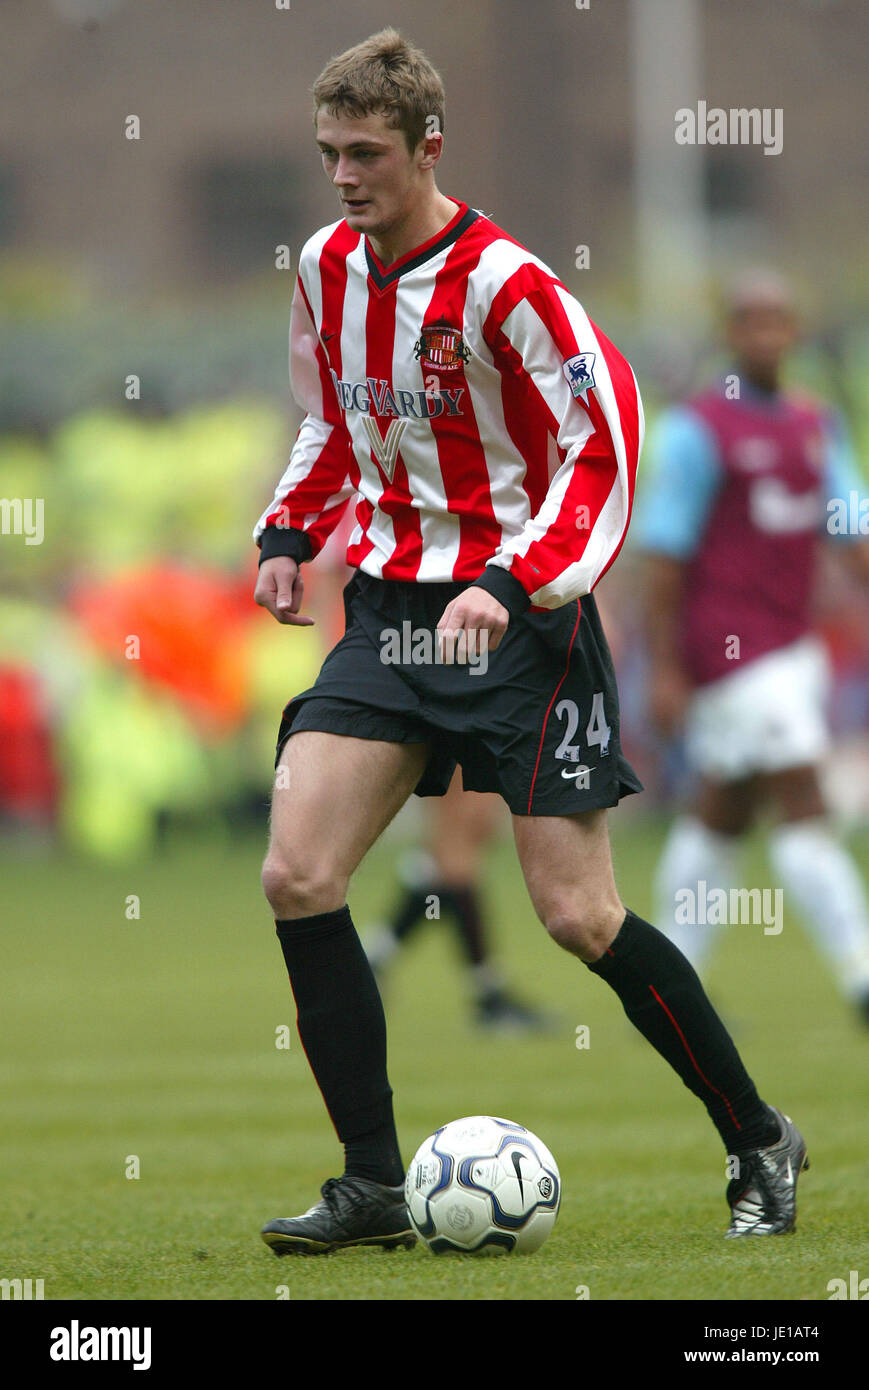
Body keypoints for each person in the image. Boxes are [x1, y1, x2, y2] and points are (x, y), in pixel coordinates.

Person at [253, 30, 806, 1255]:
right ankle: (370, 1187)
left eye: (366, 154)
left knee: (577, 915)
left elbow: (603, 443)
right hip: (395, 614)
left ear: (427, 148)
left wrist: (512, 580)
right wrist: (289, 531)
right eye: (328, 153)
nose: (342, 176)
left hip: (519, 628)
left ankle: (756, 1135)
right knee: (296, 873)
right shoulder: (323, 268)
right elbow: (330, 423)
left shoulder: (508, 284)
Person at [639, 270, 869, 1022]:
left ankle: (669, 988)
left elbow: (851, 531)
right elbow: (664, 555)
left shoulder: (814, 423)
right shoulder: (697, 429)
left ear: (793, 331)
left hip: (793, 645)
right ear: (730, 334)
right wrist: (666, 668)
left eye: (777, 320)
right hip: (730, 652)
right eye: (749, 321)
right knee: (803, 799)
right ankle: (861, 974)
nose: (764, 334)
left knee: (722, 811)